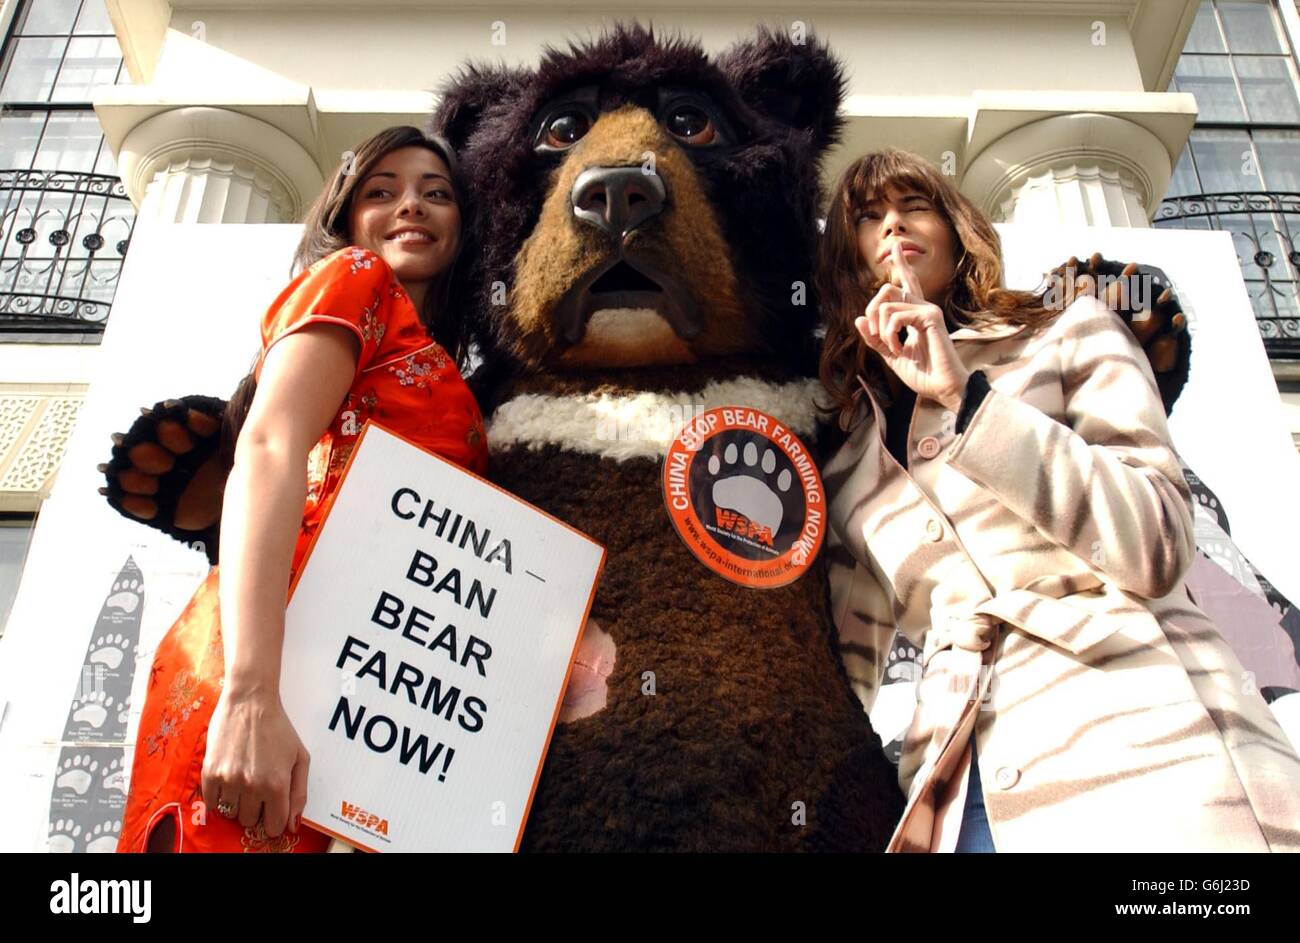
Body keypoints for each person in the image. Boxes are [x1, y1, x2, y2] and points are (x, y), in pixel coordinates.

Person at [816, 148, 1300, 852]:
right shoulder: (850, 460)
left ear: (956, 231)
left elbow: (1156, 541)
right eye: (867, 216)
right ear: (848, 263)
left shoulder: (1070, 333)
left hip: (1151, 740)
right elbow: (836, 678)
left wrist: (964, 398)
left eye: (913, 203)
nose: (892, 223)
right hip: (961, 787)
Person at [111, 126, 488, 852]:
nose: (412, 205)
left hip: (370, 693)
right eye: (382, 191)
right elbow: (269, 443)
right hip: (274, 667)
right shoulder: (355, 275)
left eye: (437, 194)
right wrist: (251, 692)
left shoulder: (440, 360)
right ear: (345, 217)